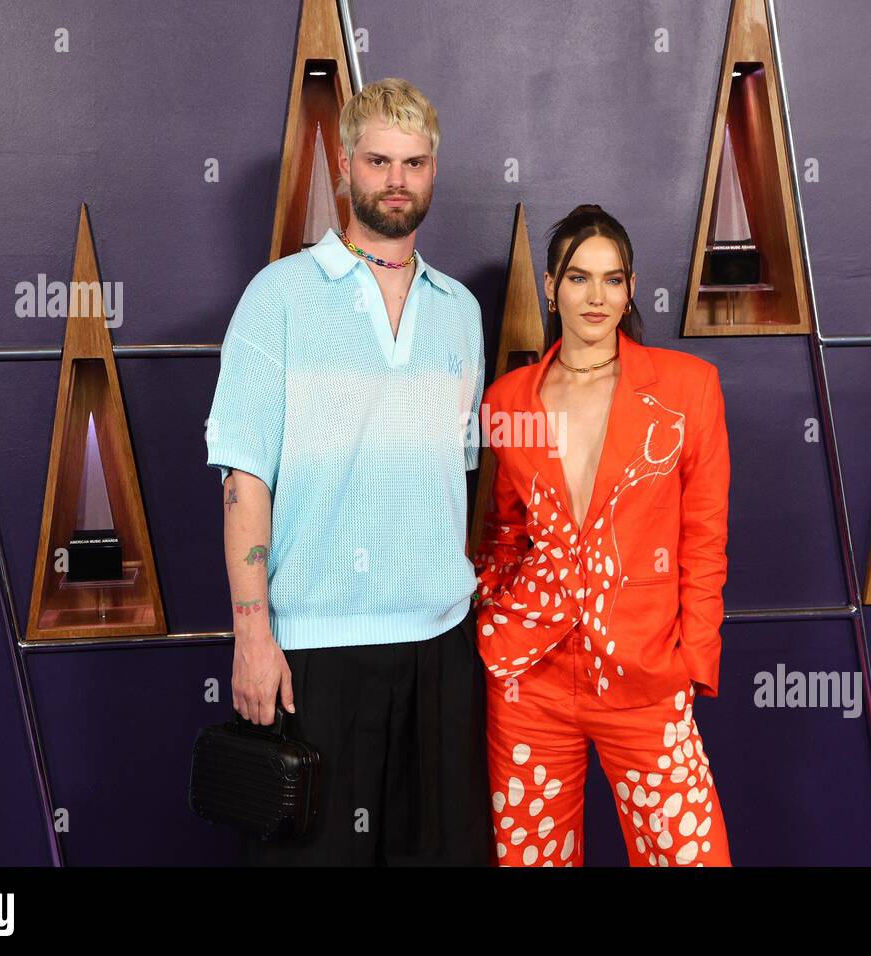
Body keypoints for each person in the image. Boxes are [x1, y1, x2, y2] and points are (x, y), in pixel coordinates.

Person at [204, 78, 490, 865]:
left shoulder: (460, 310)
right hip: (316, 653)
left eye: (415, 162)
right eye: (379, 160)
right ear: (344, 165)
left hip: (442, 646)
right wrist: (252, 637)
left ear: (434, 171)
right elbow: (244, 483)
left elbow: (455, 478)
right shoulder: (280, 299)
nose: (397, 179)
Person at [472, 204, 732, 866]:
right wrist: (495, 614)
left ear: (632, 288)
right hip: (531, 680)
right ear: (552, 287)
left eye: (613, 280)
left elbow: (705, 537)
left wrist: (692, 659)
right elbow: (506, 531)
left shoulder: (686, 388)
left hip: (645, 675)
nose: (596, 296)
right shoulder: (509, 402)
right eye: (579, 278)